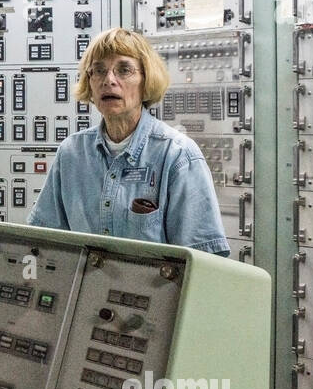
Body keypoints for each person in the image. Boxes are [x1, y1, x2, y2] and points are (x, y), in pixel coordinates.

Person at [27, 28, 230, 257]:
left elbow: (202, 261)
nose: (109, 81)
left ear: (146, 81)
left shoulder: (177, 155)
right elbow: (44, 241)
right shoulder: (71, 153)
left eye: (124, 70)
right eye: (98, 71)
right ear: (89, 83)